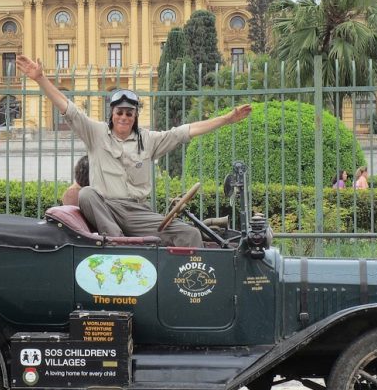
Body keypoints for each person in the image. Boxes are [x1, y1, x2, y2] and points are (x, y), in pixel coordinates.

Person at [15, 54, 252, 247]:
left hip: (138, 212)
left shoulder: (148, 140)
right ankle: (121, 244)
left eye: (129, 113)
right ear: (112, 114)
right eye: (119, 112)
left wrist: (227, 119)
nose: (124, 117)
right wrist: (41, 79)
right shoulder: (95, 133)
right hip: (107, 209)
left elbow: (185, 131)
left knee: (189, 234)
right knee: (86, 194)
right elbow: (68, 108)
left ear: (135, 116)